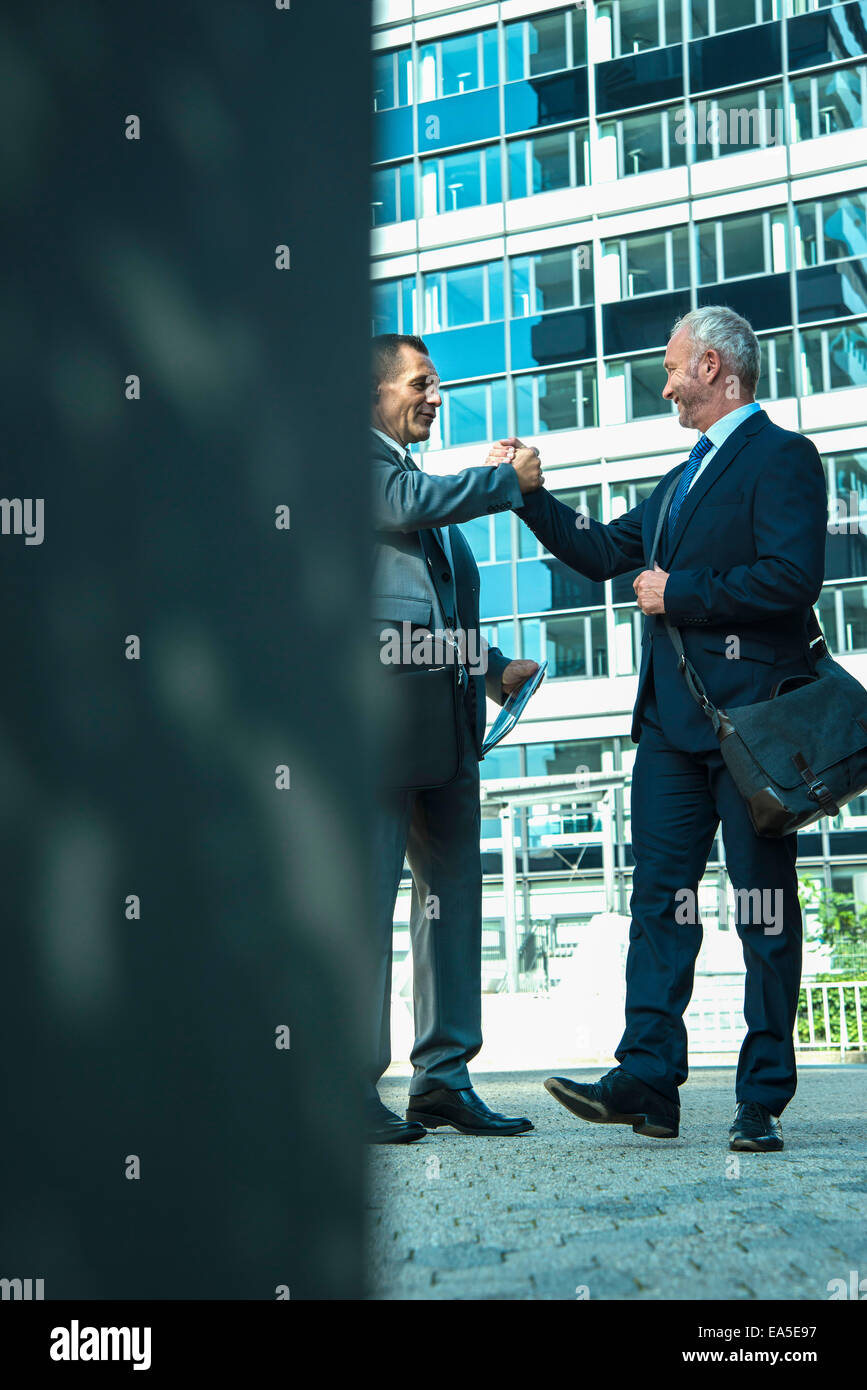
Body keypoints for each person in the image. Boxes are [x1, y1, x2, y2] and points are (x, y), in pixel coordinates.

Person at [490, 306, 827, 1152]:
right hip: (671, 734)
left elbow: (791, 578)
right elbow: (605, 552)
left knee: (762, 910)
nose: (666, 383)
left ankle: (761, 1096)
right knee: (658, 905)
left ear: (713, 366)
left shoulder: (782, 457)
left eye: (673, 368)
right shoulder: (681, 479)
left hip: (751, 729)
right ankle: (648, 1080)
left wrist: (680, 594)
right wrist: (531, 497)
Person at [368, 333, 541, 1143]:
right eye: (420, 383)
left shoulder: (417, 487)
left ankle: (443, 1078)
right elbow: (410, 505)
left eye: (436, 383)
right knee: (363, 908)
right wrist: (505, 483)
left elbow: (430, 622)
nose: (434, 396)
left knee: (451, 907)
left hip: (444, 735)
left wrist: (494, 666)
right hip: (371, 733)